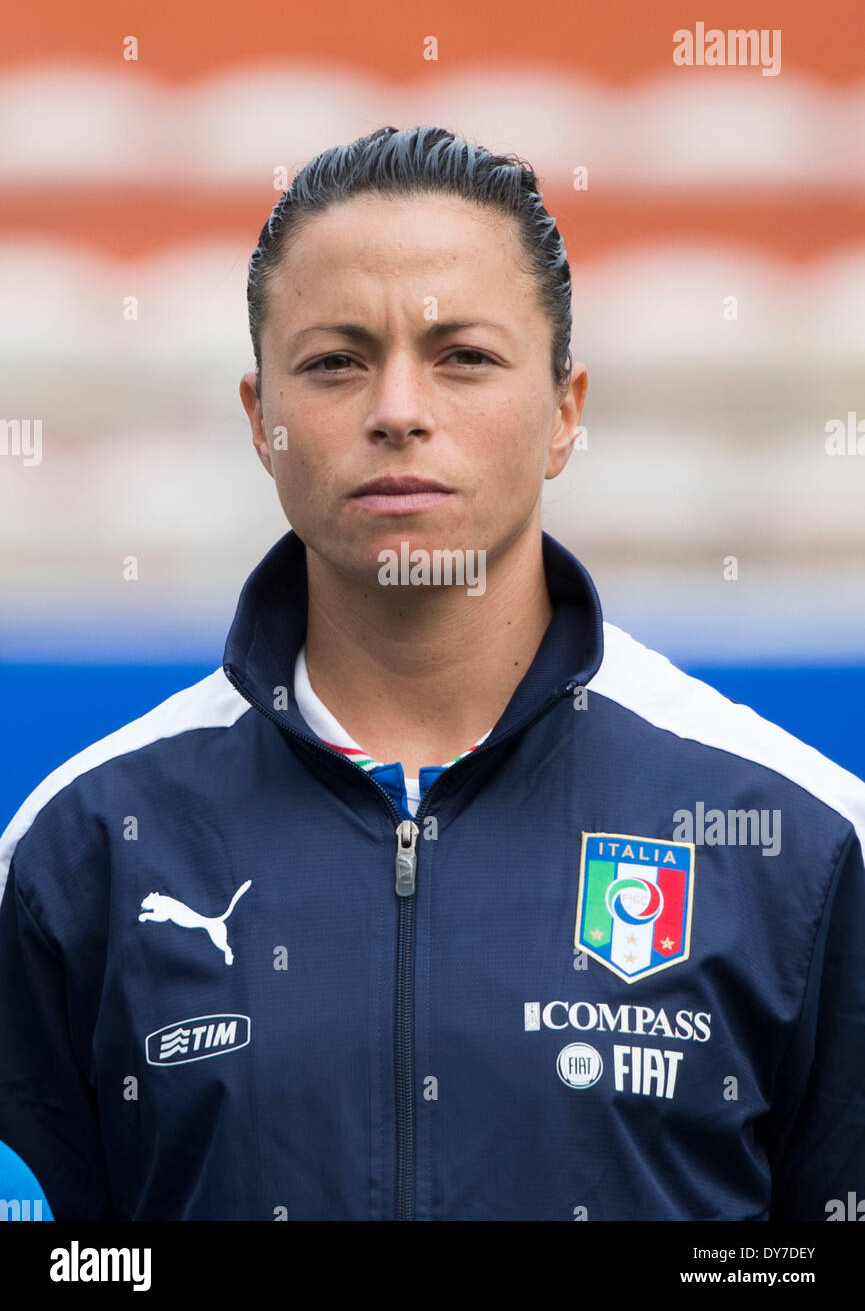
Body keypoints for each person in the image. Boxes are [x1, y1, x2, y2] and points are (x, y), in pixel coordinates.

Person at [0, 125, 863, 1222]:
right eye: (333, 361)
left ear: (564, 411)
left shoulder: (800, 833)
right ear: (260, 419)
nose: (398, 408)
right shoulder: (83, 845)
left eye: (462, 355)